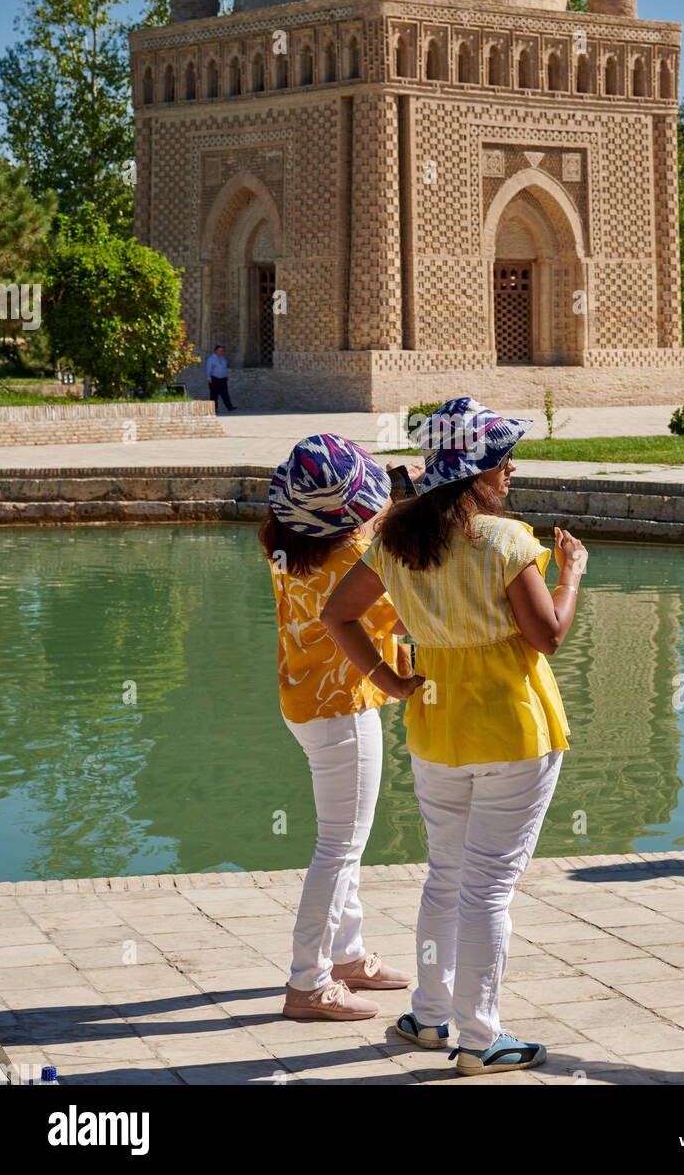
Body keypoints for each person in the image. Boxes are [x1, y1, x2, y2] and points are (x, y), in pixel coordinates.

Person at [323, 397, 588, 1076]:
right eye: (500, 462)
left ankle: (431, 1016)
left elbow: (338, 615)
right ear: (473, 475)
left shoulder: (394, 543)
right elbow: (549, 636)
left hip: (437, 727)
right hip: (512, 728)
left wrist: (387, 679)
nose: (510, 472)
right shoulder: (505, 542)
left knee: (445, 875)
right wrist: (572, 573)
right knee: (489, 889)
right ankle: (479, 1037)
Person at [259, 435, 424, 1022]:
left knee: (342, 840)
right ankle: (308, 981)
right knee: (340, 846)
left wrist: (391, 493)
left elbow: (357, 522)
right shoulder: (348, 562)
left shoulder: (281, 543)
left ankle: (347, 955)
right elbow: (409, 617)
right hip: (342, 713)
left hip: (302, 698)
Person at [205, 345, 235, 412]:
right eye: (220, 351)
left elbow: (224, 368)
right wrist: (208, 377)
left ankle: (229, 407)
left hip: (222, 379)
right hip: (214, 378)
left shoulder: (222, 358)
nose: (221, 352)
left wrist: (226, 375)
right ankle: (214, 409)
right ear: (215, 351)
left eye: (222, 351)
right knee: (214, 395)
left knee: (225, 394)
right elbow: (208, 369)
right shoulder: (211, 358)